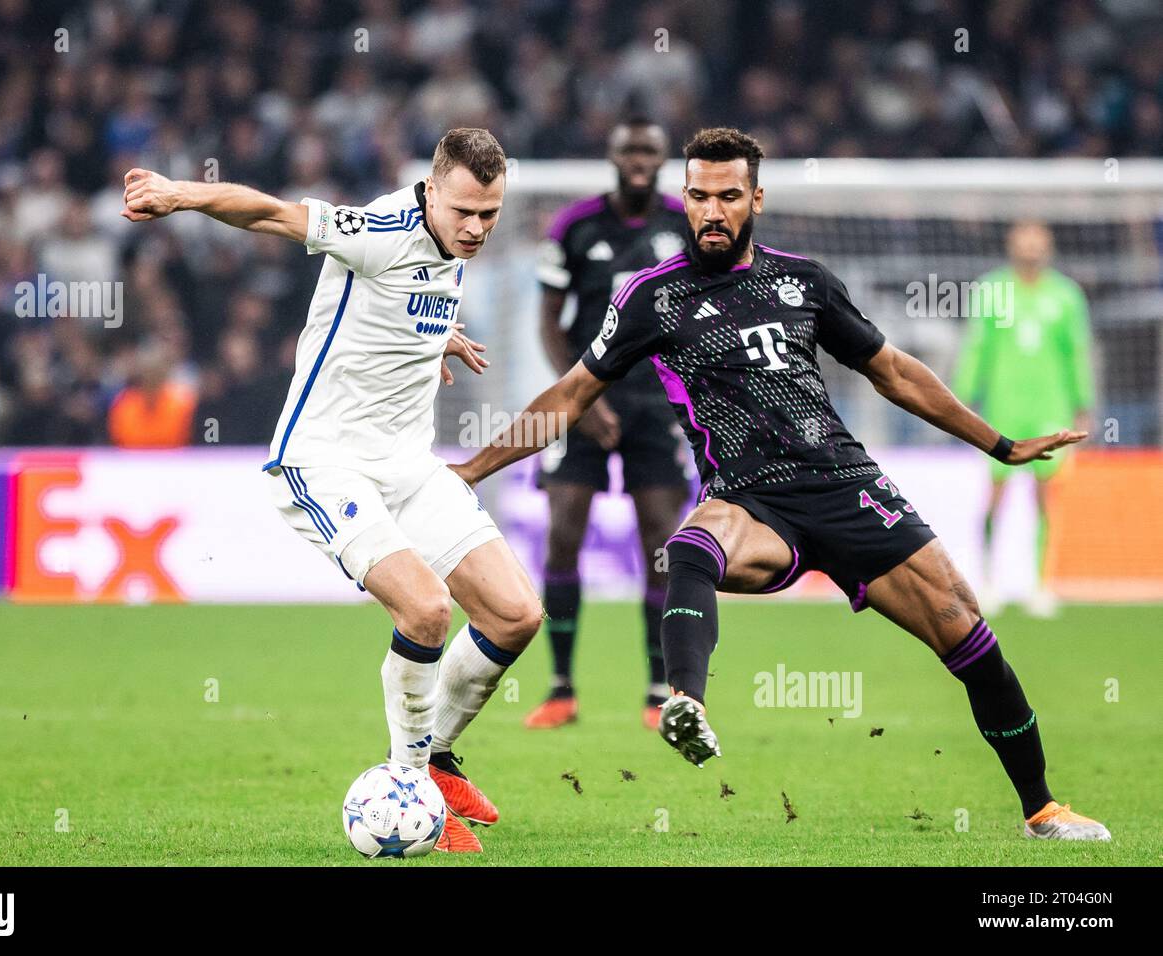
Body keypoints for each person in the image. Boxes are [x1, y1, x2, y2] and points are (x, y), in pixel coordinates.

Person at [454, 127, 1109, 841]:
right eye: (699, 196)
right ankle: (685, 703)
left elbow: (893, 372)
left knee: (967, 634)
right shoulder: (655, 299)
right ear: (685, 198)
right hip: (749, 498)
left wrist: (1002, 444)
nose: (712, 211)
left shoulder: (805, 282)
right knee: (690, 546)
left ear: (755, 199)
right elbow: (572, 394)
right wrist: (472, 470)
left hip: (845, 484)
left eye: (728, 196)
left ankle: (1043, 809)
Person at [121, 128, 544, 853]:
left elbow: (396, 304)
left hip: (408, 463)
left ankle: (435, 760)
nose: (476, 229)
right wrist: (179, 194)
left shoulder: (453, 246)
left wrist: (431, 338)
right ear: (432, 189)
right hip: (327, 461)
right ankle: (408, 783)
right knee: (426, 608)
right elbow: (273, 214)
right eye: (465, 211)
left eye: (491, 214)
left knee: (515, 615)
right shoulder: (379, 228)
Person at [528, 118, 691, 731]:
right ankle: (561, 688)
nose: (639, 159)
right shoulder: (574, 227)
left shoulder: (683, 226)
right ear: (613, 156)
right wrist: (581, 397)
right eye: (630, 150)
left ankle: (658, 693)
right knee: (563, 532)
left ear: (662, 156)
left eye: (650, 149)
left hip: (657, 405)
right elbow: (549, 321)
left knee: (661, 546)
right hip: (584, 398)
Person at [953, 221, 1094, 617]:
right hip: (1003, 405)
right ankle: (988, 579)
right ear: (1012, 246)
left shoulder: (1066, 296)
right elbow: (977, 346)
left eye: (1038, 243)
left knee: (1045, 495)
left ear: (1047, 248)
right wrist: (963, 398)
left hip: (1050, 407)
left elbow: (1076, 353)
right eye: (1024, 242)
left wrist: (1083, 401)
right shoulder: (991, 290)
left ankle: (1040, 584)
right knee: (995, 494)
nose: (1031, 249)